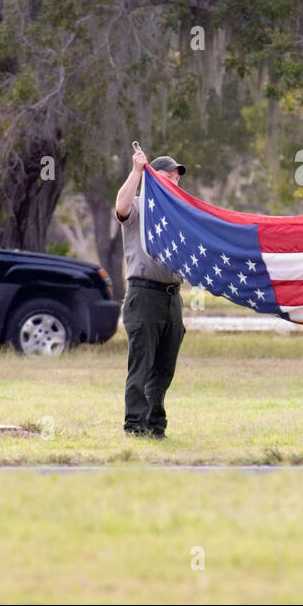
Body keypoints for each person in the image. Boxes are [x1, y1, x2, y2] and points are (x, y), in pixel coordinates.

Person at [114, 148, 187, 438]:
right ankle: (135, 425)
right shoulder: (140, 206)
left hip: (172, 296)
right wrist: (136, 172)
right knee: (141, 365)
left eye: (177, 178)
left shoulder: (181, 214)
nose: (174, 181)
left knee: (164, 367)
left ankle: (155, 424)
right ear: (153, 178)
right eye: (167, 176)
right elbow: (121, 207)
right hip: (144, 294)